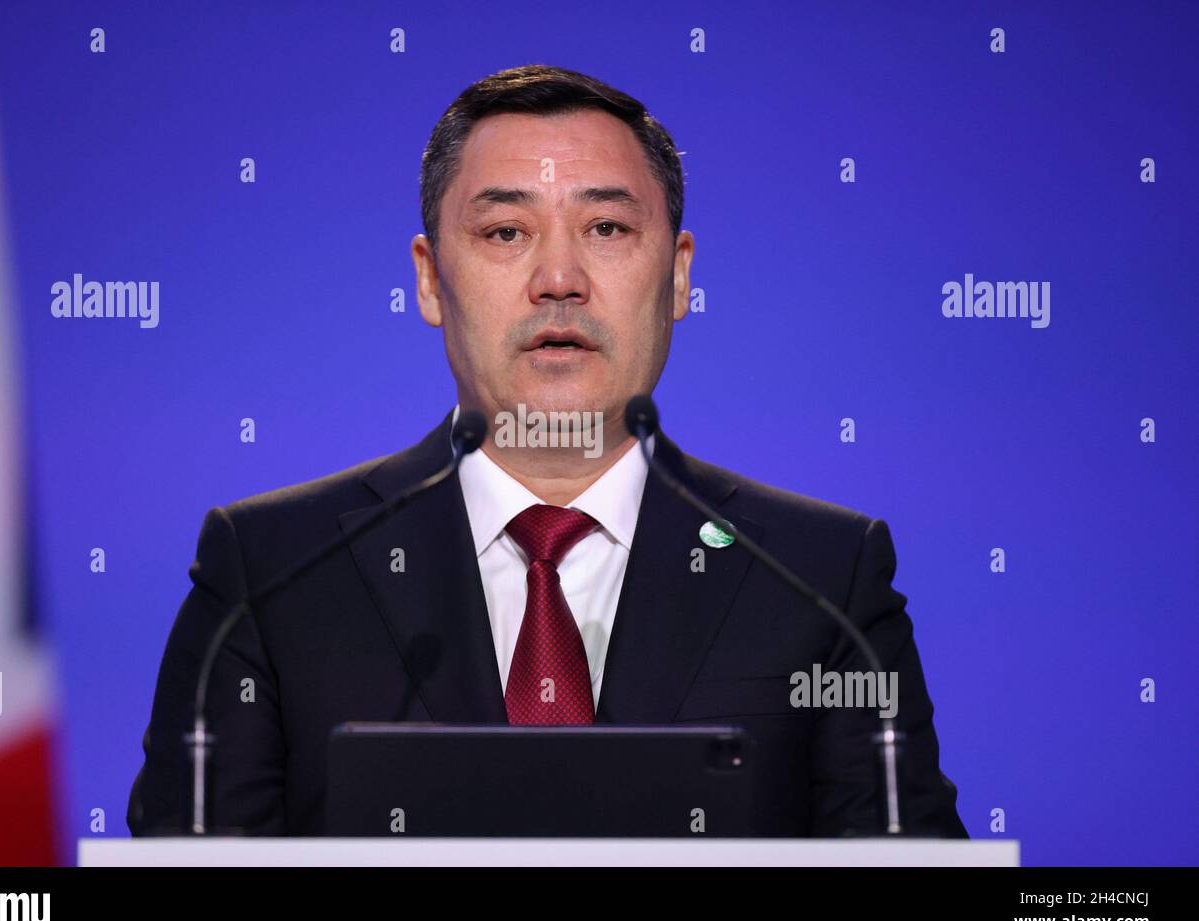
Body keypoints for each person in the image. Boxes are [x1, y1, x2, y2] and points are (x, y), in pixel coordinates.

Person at [128, 64, 966, 838]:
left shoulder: (822, 579)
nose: (558, 278)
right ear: (428, 278)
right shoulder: (271, 575)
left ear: (678, 277)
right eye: (504, 233)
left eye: (605, 227)